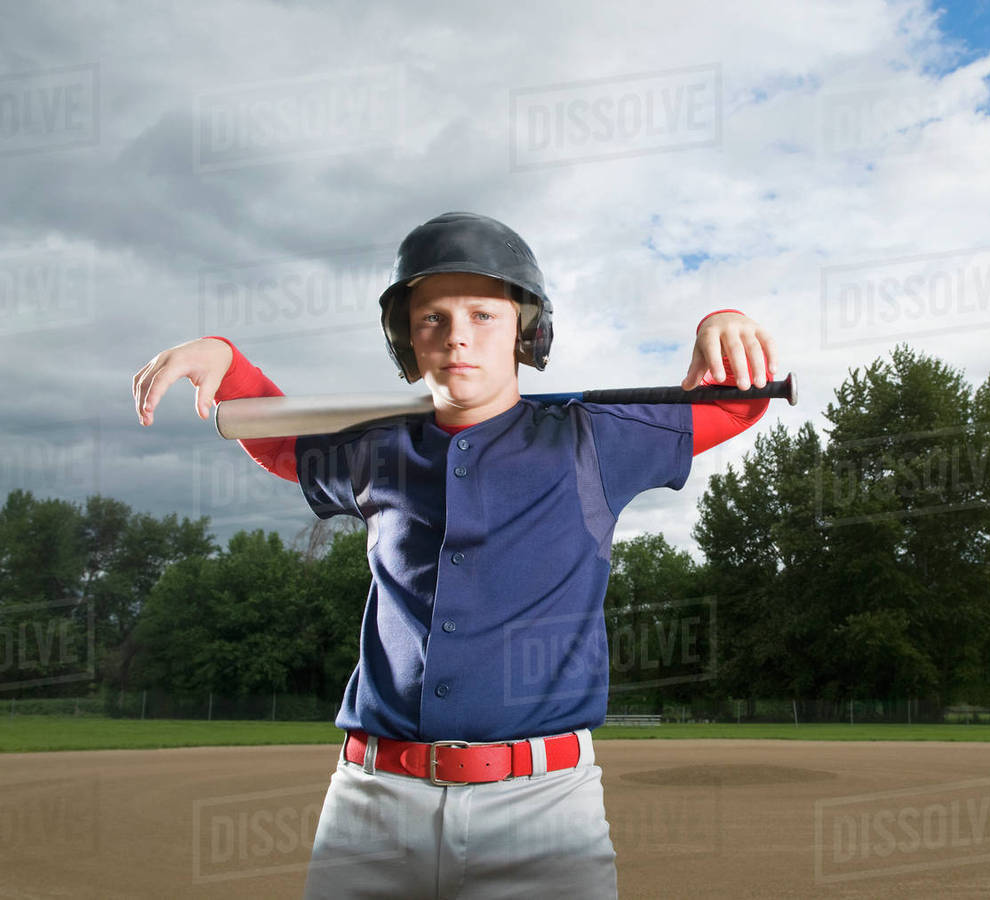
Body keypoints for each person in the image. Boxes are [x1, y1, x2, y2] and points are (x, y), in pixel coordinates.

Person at [132, 211, 779, 898]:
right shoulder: (377, 449)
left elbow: (735, 404)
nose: (458, 335)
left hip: (545, 814)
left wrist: (724, 321)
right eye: (432, 317)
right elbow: (285, 444)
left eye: (483, 314)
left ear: (526, 331)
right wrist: (228, 361)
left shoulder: (595, 441)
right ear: (407, 338)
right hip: (372, 807)